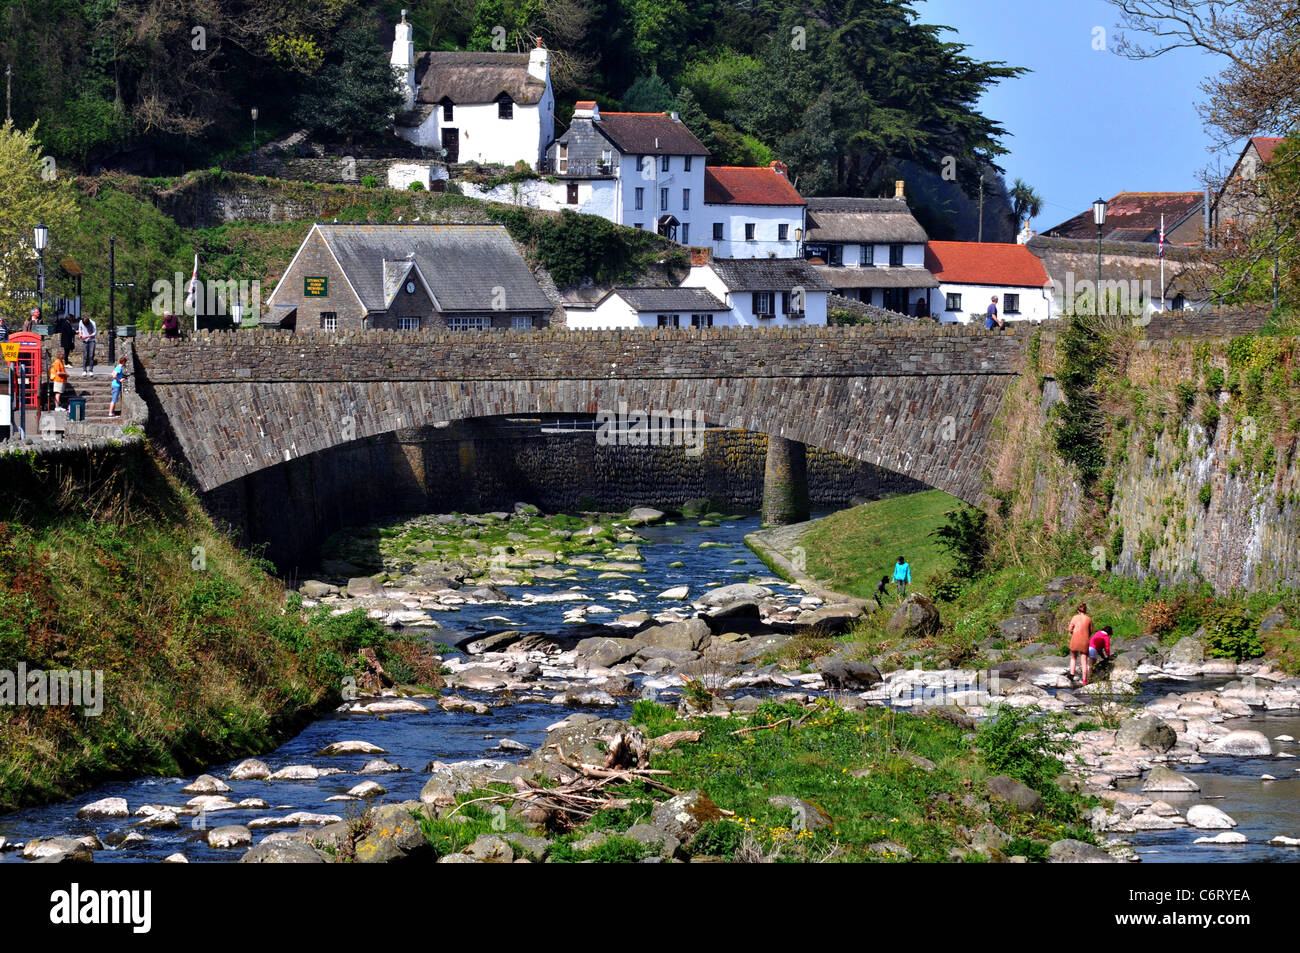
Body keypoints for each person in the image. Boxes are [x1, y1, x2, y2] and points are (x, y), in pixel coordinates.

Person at [1067, 602, 1094, 685]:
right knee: (1084, 660)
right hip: (1085, 640)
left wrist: (1073, 632)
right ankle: (1085, 680)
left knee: (1073, 657)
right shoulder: (1089, 619)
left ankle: (1071, 675)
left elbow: (1070, 629)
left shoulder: (1075, 617)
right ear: (1085, 611)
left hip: (1075, 638)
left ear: (1078, 611)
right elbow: (1091, 631)